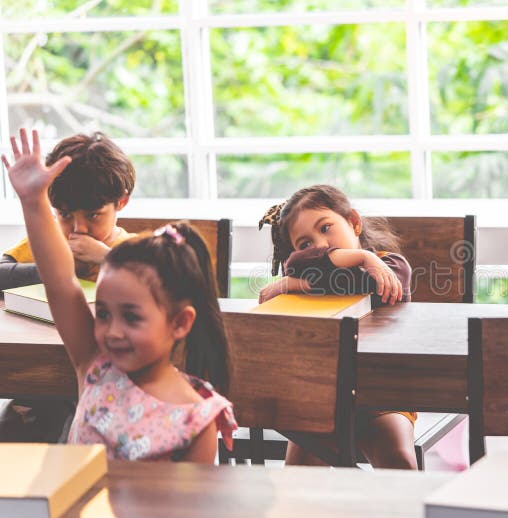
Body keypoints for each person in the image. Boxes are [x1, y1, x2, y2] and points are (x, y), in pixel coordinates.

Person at [2, 129, 236, 462]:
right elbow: (60, 281)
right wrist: (33, 201)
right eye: (103, 314)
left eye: (131, 317)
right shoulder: (93, 365)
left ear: (180, 323)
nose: (112, 331)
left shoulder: (196, 420)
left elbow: (189, 499)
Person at [258, 184, 416, 469]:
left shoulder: (391, 266)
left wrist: (365, 258)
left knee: (398, 458)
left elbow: (360, 283)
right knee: (299, 473)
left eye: (326, 228)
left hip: (383, 396)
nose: (321, 245)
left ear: (353, 222)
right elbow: (297, 264)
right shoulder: (303, 273)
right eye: (305, 244)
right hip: (322, 396)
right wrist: (297, 276)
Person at [1, 131, 136, 290]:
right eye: (65, 215)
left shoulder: (134, 249)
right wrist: (59, 268)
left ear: (121, 201)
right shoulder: (48, 239)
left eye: (92, 215)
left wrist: (107, 258)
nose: (79, 228)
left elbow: (158, 283)